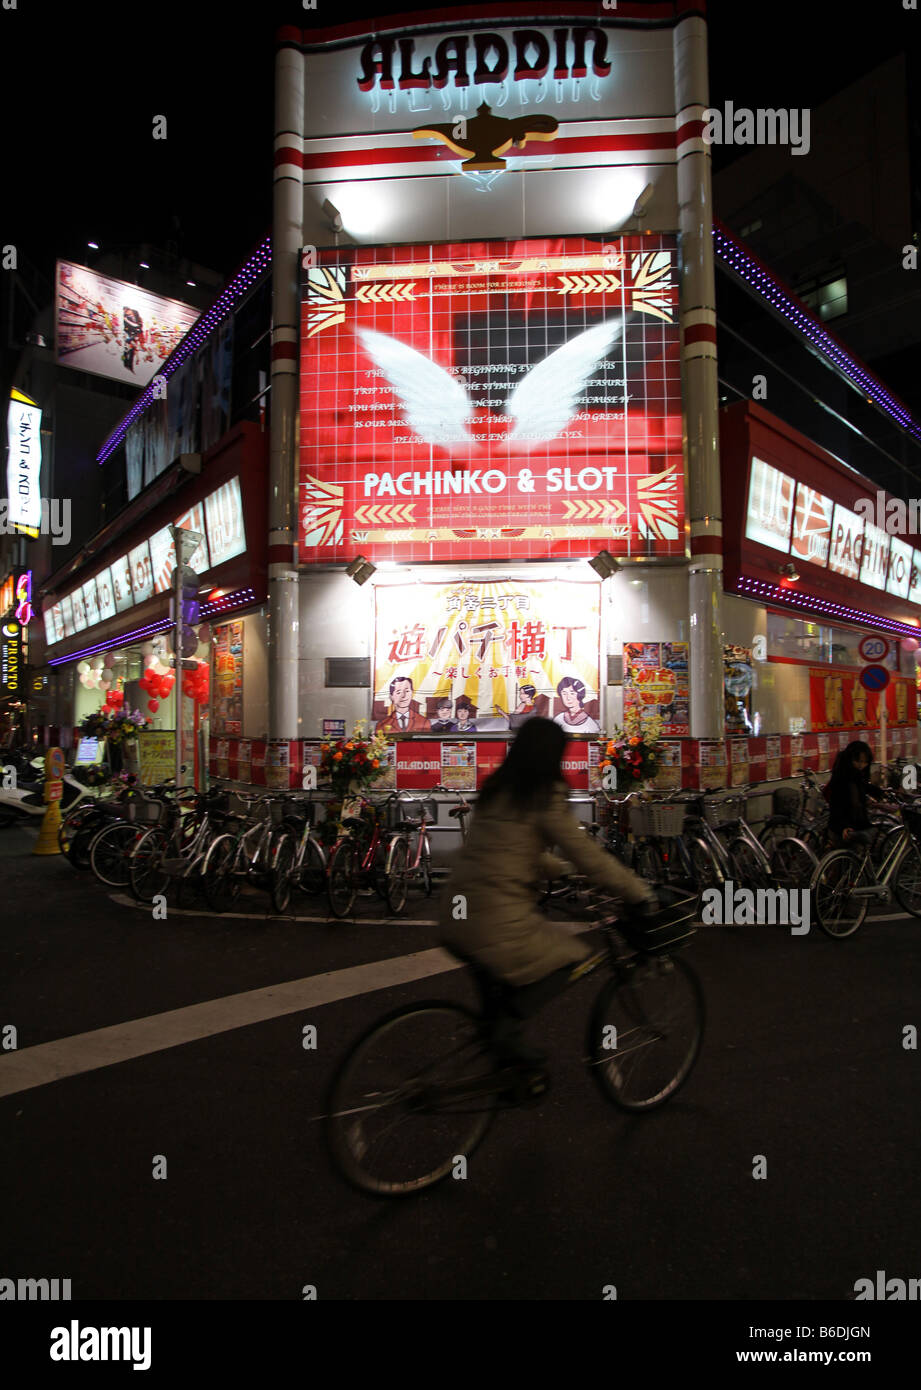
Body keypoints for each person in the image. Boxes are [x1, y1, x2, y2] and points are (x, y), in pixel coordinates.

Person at [439, 717, 657, 1068]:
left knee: (498, 997)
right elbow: (586, 853)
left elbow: (509, 848)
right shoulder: (544, 795)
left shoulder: (499, 788)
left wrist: (560, 870)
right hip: (495, 920)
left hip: (455, 911)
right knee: (570, 958)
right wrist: (637, 892)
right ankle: (505, 1036)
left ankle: (500, 1065)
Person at [825, 740, 884, 848]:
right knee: (845, 859)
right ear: (850, 759)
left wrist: (878, 792)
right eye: (858, 761)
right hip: (843, 829)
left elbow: (864, 787)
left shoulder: (857, 776)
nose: (862, 765)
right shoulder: (842, 778)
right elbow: (837, 805)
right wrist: (843, 827)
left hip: (855, 825)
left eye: (865, 762)